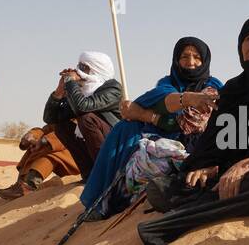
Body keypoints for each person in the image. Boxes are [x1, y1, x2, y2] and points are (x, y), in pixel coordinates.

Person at [136, 18, 249, 245]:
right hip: (229, 177)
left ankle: (185, 218)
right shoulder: (231, 89)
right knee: (158, 189)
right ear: (240, 46)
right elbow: (214, 139)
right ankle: (246, 199)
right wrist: (209, 165)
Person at [74, 37, 223, 216]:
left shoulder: (214, 87)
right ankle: (98, 199)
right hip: (165, 138)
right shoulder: (167, 83)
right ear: (176, 59)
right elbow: (162, 101)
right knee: (125, 129)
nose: (190, 62)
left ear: (205, 60)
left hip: (200, 147)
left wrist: (145, 115)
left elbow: (183, 124)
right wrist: (187, 99)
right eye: (184, 57)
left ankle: (118, 201)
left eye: (196, 57)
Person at [41, 51, 123, 179]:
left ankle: (105, 172)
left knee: (86, 119)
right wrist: (59, 90)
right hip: (94, 143)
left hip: (116, 143)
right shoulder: (82, 91)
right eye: (78, 67)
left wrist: (71, 82)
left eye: (84, 68)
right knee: (61, 126)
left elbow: (83, 107)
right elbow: (50, 118)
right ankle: (89, 174)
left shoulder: (113, 88)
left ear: (97, 69)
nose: (78, 71)